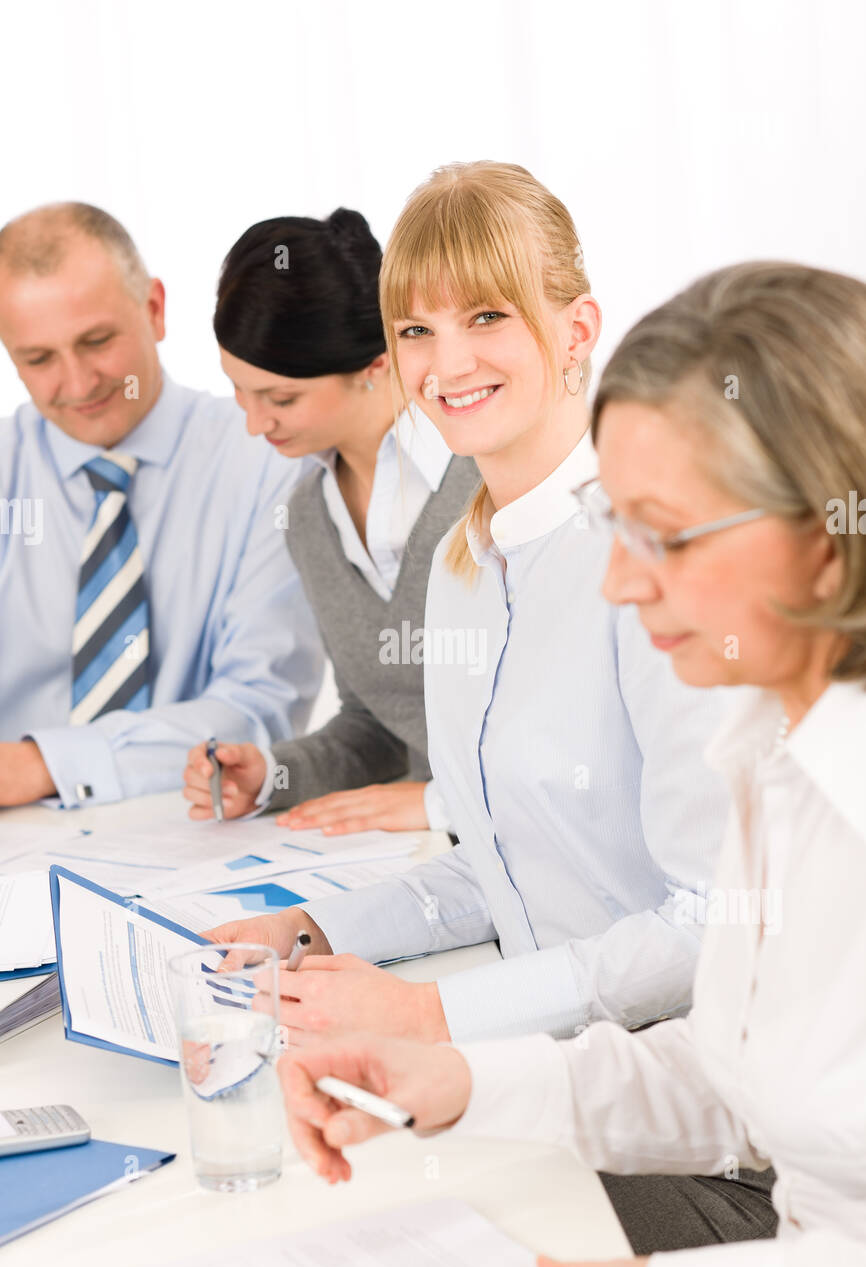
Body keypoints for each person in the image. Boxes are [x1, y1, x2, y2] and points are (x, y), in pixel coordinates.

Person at [279, 260, 866, 1267]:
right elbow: (739, 1084)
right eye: (615, 521)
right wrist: (460, 1076)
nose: (618, 579)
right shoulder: (769, 757)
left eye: (668, 536)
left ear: (826, 542)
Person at [208, 163, 734, 1049]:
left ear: (578, 331)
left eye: (487, 316)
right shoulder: (464, 566)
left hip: (696, 1098)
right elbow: (503, 868)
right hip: (553, 1063)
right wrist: (314, 931)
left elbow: (711, 922)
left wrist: (432, 1015)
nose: (448, 365)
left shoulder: (659, 559)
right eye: (417, 329)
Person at [0, 202, 323, 808]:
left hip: (193, 833)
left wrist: (43, 766)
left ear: (154, 309)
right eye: (37, 359)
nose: (76, 383)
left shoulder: (268, 461)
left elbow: (260, 708)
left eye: (96, 341)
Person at [182, 209, 479, 833]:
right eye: (241, 391)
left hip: (543, 857)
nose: (255, 424)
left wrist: (438, 804)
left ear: (376, 365)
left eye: (281, 399)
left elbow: (566, 727)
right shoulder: (309, 516)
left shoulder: (487, 475)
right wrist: (273, 772)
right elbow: (378, 726)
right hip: (438, 859)